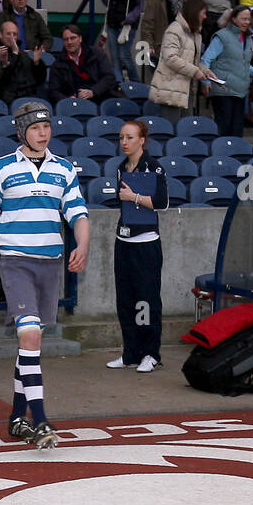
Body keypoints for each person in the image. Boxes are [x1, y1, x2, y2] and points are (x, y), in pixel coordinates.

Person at [0, 100, 89, 447]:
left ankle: (15, 419)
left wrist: (82, 245)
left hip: (50, 265)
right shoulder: (0, 169)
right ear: (21, 131)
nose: (43, 133)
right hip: (16, 262)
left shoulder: (64, 169)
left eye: (47, 127)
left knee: (31, 346)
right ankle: (40, 421)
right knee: (30, 337)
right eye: (36, 128)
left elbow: (78, 214)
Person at [106, 120, 169, 374]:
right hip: (124, 242)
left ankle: (150, 353)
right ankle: (130, 352)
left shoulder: (154, 168)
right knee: (126, 301)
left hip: (146, 245)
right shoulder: (122, 167)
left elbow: (162, 202)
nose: (124, 142)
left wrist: (134, 197)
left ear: (142, 140)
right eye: (121, 137)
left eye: (129, 137)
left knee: (146, 301)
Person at [148, 0, 208, 126]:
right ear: (195, 13)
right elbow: (170, 58)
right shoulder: (175, 30)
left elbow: (192, 60)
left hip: (186, 89)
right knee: (172, 129)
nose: (205, 17)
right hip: (171, 90)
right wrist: (195, 71)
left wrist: (205, 71)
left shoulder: (196, 33)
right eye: (203, 13)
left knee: (186, 130)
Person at [201, 5, 253, 137]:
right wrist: (205, 82)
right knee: (224, 128)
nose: (247, 22)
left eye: (249, 19)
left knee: (237, 130)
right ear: (233, 19)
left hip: (240, 90)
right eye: (243, 19)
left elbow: (242, 62)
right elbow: (205, 60)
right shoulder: (222, 37)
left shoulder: (249, 39)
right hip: (223, 89)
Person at [46, 22, 118, 105]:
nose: (69, 42)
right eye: (66, 39)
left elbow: (109, 77)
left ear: (80, 39)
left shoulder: (97, 54)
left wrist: (93, 91)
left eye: (73, 38)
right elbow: (53, 91)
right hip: (75, 104)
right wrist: (66, 99)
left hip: (101, 97)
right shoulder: (57, 65)